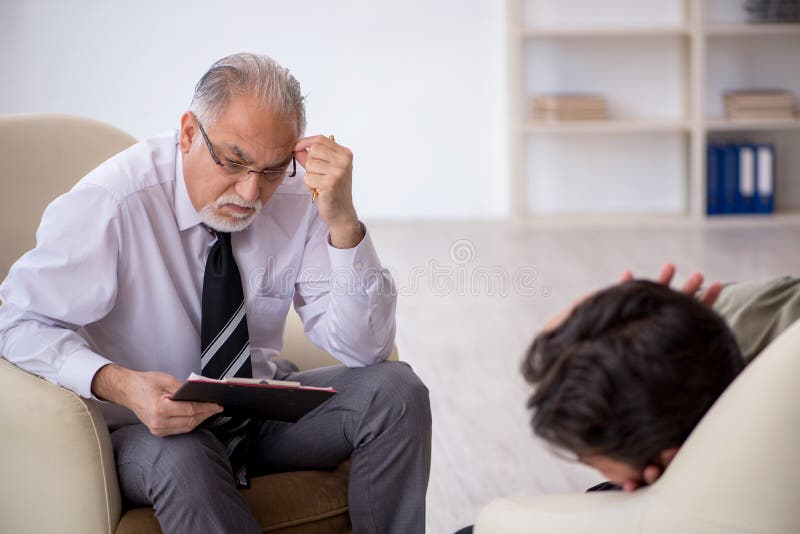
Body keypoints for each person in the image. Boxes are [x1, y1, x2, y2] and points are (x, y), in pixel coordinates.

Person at [0, 53, 431, 534]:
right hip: (145, 429)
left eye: (272, 170)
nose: (249, 193)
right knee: (186, 454)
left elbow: (365, 351)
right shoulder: (113, 202)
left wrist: (344, 223)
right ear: (188, 133)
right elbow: (17, 323)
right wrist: (119, 384)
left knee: (396, 391)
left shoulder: (301, 194)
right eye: (233, 162)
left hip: (255, 410)